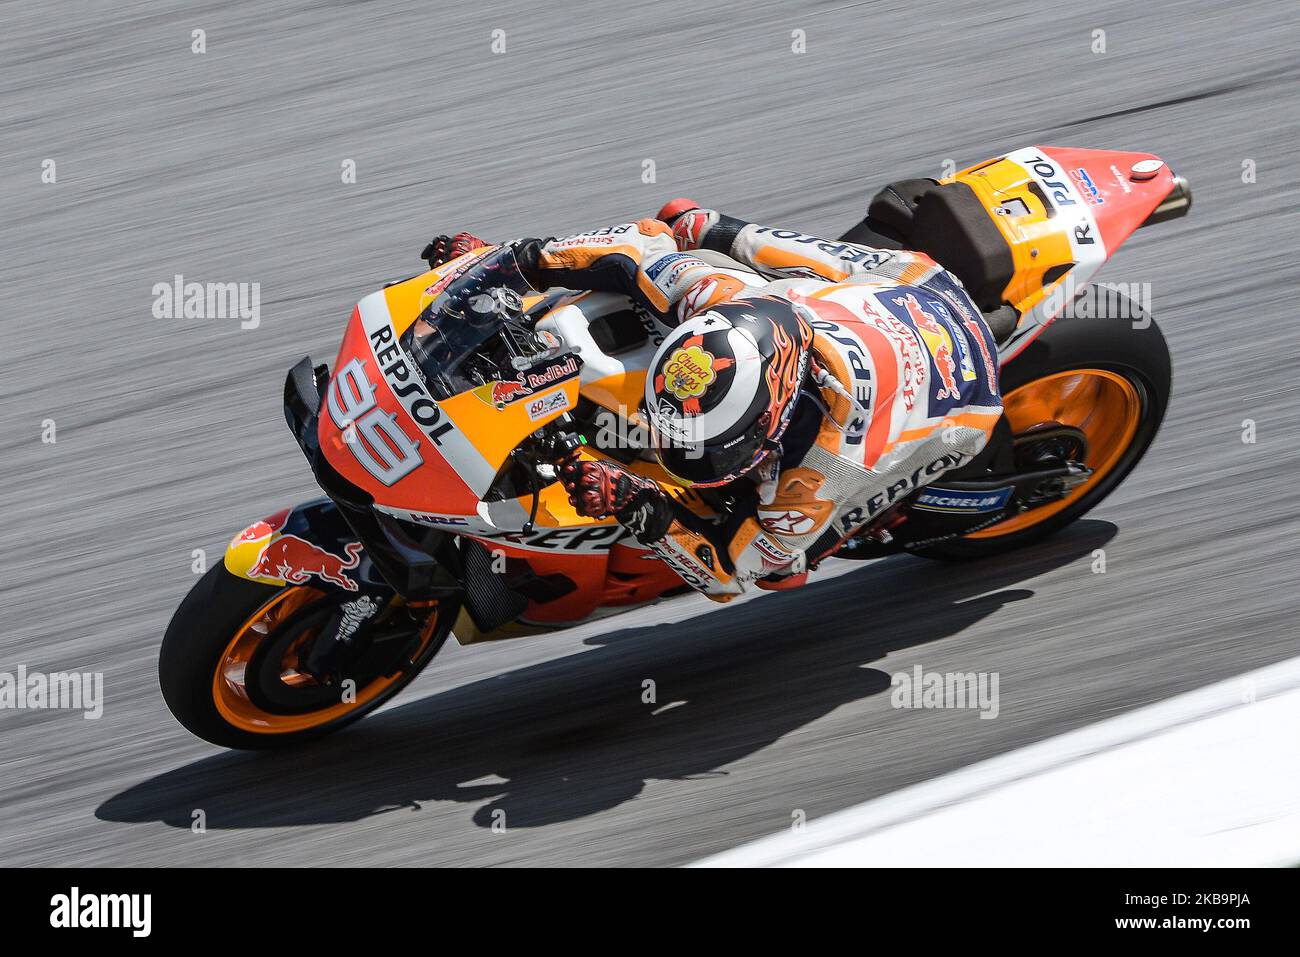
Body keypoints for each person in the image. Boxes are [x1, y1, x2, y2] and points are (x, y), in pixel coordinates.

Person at [421, 202, 1004, 600]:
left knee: (785, 570)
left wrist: (635, 503)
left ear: (769, 424)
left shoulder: (823, 464)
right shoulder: (718, 299)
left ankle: (877, 518)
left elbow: (730, 575)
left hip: (963, 396)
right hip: (912, 282)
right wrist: (507, 263)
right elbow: (635, 247)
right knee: (684, 220)